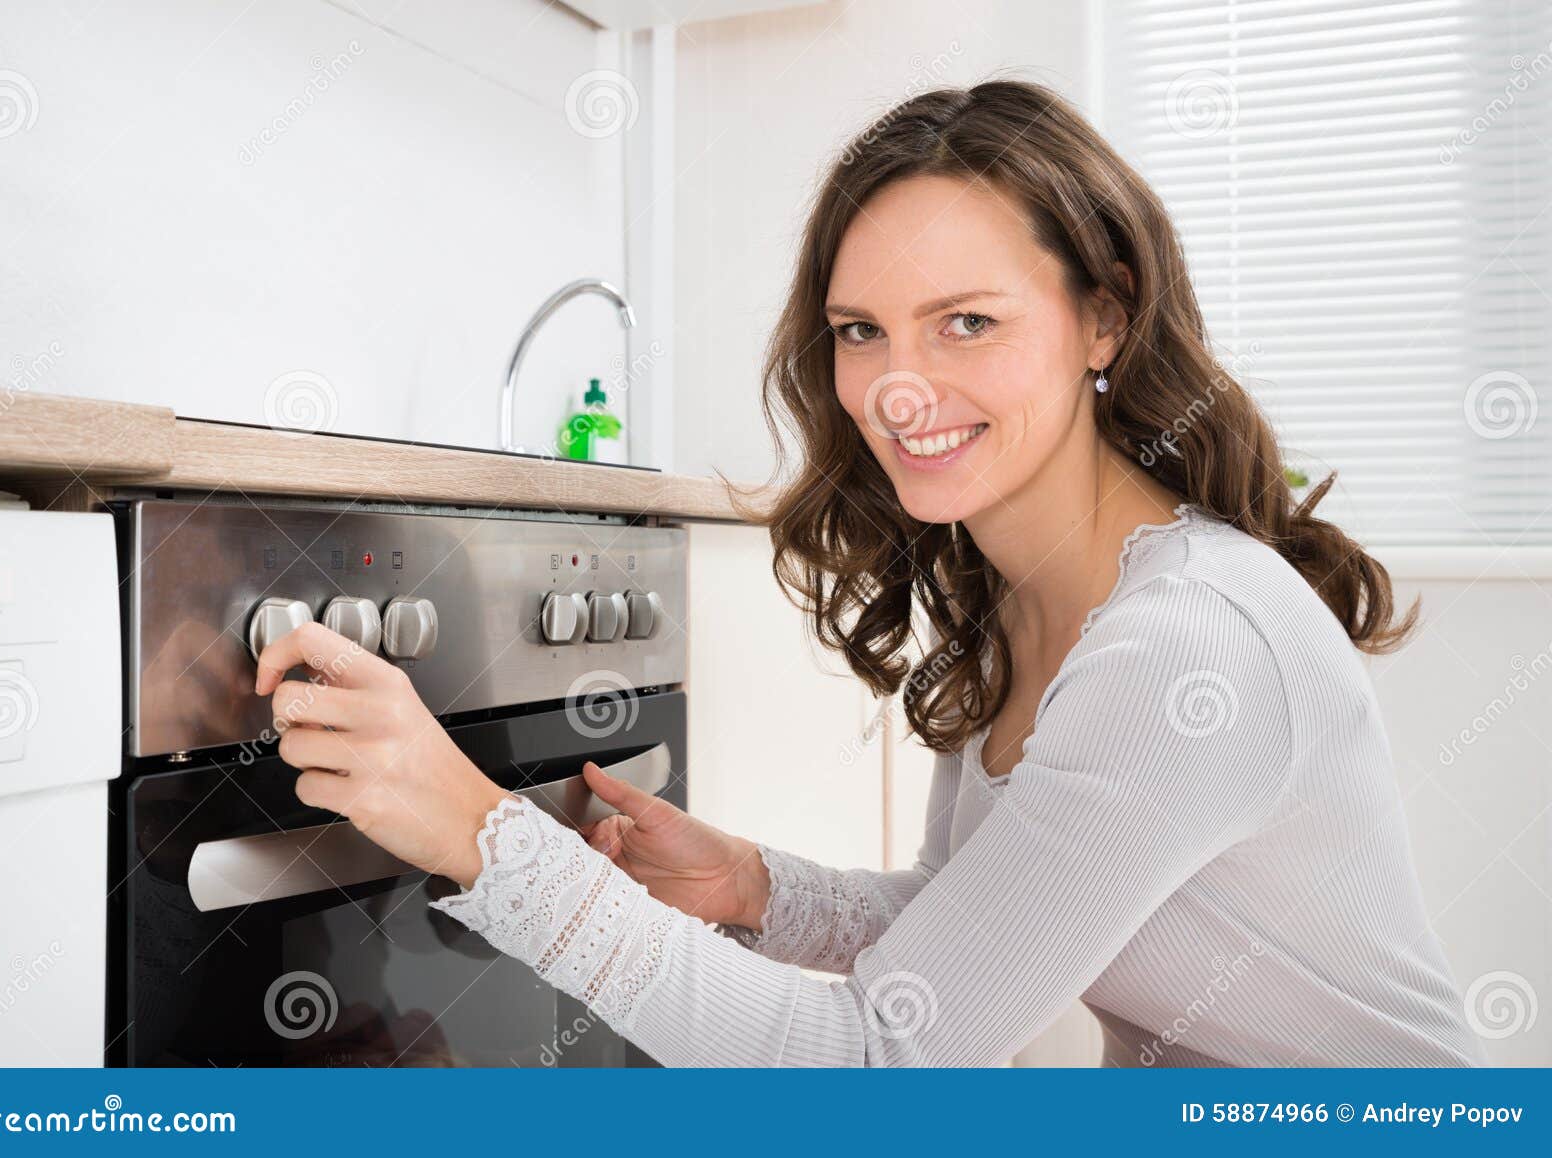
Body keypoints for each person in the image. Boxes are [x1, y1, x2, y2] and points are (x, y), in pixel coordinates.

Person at [255, 80, 1483, 1067]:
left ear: (1104, 321)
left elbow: (876, 1064)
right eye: (861, 331)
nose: (899, 388)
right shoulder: (1024, 592)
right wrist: (753, 889)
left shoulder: (1182, 647)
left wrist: (483, 837)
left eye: (967, 322)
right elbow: (980, 919)